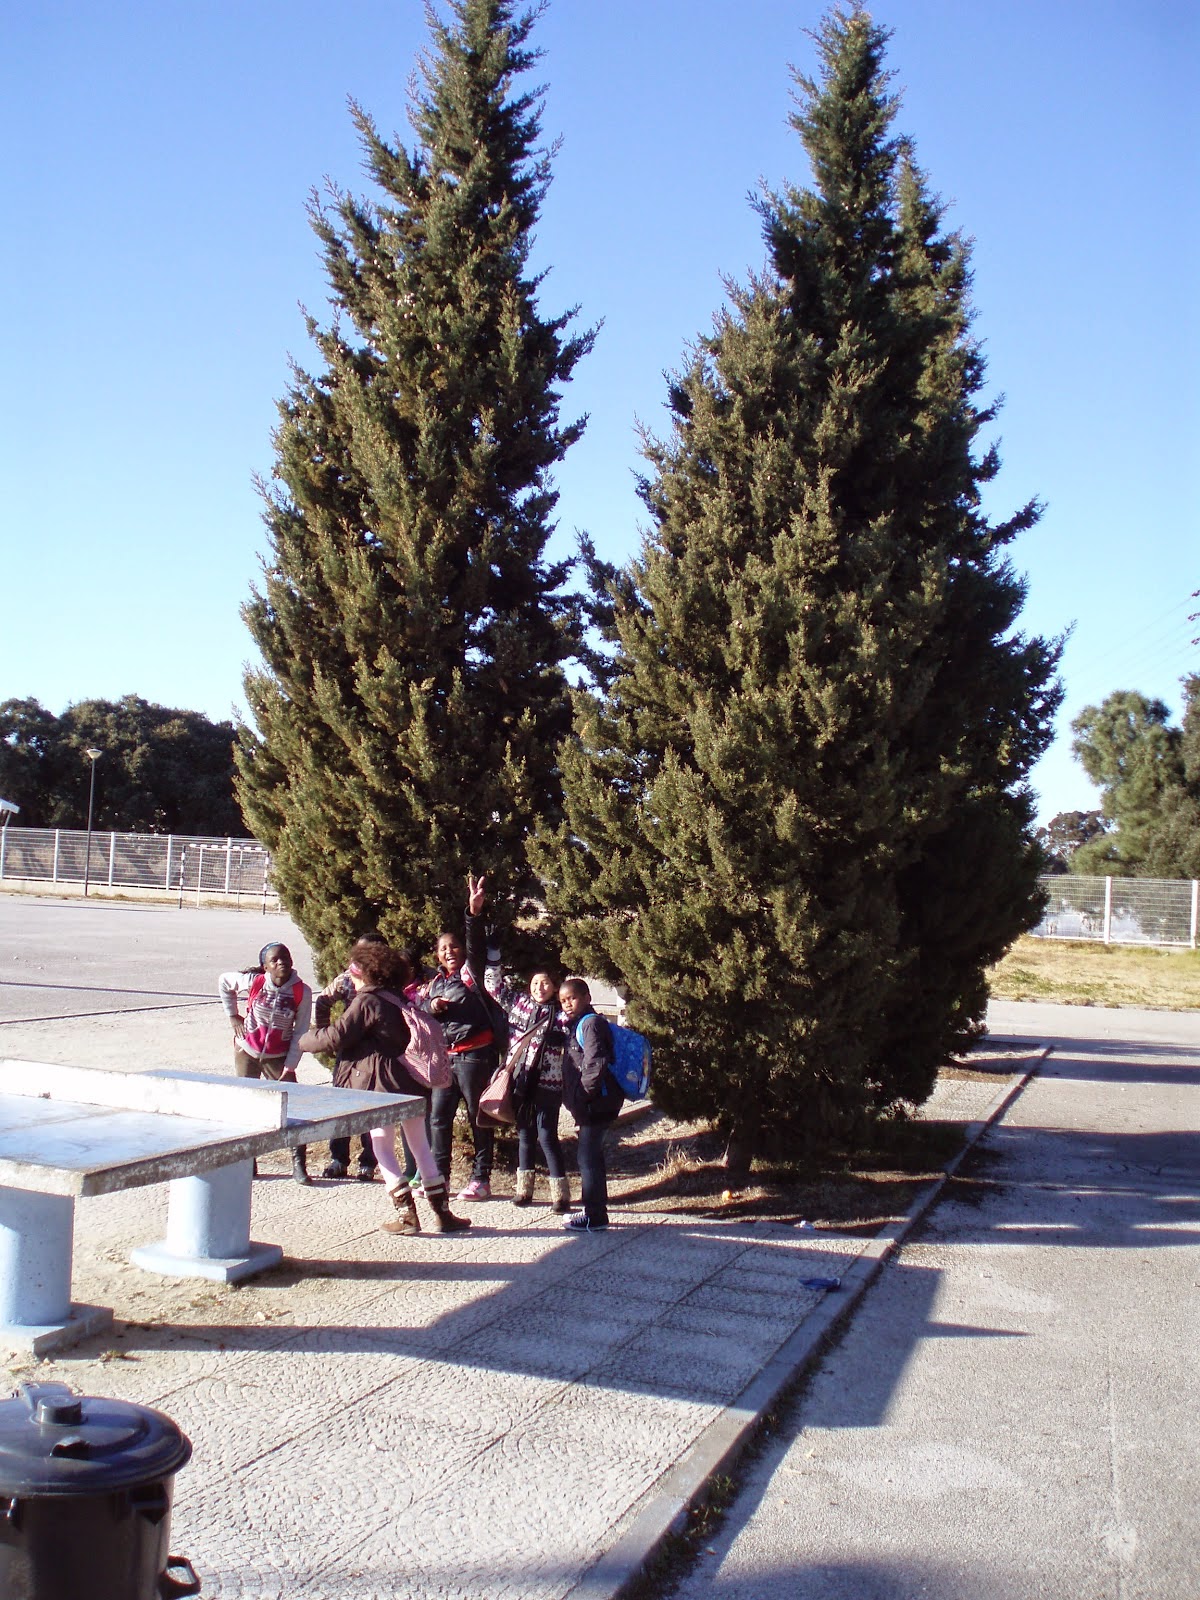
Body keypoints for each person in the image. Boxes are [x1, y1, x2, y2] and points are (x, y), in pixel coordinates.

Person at [296, 939, 469, 1234]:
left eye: (352, 972)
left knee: (382, 1147)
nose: (349, 977)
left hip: (382, 1087)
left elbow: (337, 1036)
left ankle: (406, 1216)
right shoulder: (395, 997)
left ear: (363, 974)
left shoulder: (367, 1001)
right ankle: (443, 1215)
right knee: (420, 1147)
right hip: (411, 1082)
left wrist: (303, 1040)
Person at [426, 873, 500, 1201]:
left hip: (475, 1057)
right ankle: (438, 1177)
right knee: (438, 1119)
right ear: (438, 956)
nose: (450, 951)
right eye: (444, 949)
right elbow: (423, 1011)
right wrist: (432, 1005)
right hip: (446, 1060)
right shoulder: (435, 983)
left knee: (477, 1117)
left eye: (454, 946)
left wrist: (473, 912)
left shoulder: (470, 973)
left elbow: (475, 943)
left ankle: (481, 1179)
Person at [218, 943, 313, 1184]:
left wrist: (290, 1066)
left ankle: (298, 1162)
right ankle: (248, 1160)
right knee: (247, 1106)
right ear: (265, 967)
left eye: (286, 958)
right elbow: (224, 982)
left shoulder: (301, 991)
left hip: (278, 1058)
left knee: (294, 1109)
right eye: (275, 960)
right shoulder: (254, 982)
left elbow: (300, 1030)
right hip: (247, 1052)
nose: (282, 963)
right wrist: (232, 1016)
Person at [486, 955, 571, 1213]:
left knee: (547, 1136)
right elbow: (493, 986)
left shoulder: (562, 1016)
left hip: (549, 1085)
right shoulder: (518, 1003)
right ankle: (524, 1190)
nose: (539, 988)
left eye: (545, 983)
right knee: (525, 1135)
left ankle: (561, 1194)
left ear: (555, 986)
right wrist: (493, 956)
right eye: (535, 983)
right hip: (520, 1082)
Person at [311, 932, 388, 1181]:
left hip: (377, 1053)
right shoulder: (346, 980)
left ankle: (368, 1161)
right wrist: (324, 1034)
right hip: (349, 1053)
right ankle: (338, 1158)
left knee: (372, 1107)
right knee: (342, 1103)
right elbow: (322, 1001)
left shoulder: (388, 981)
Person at [558, 977, 623, 1232]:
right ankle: (594, 1211)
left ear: (587, 997)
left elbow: (595, 1062)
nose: (567, 1004)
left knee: (587, 1158)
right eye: (563, 1001)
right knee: (591, 1156)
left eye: (572, 998)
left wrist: (583, 1097)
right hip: (596, 1101)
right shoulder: (581, 1024)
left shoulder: (591, 1024)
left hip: (597, 1102)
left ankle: (595, 1215)